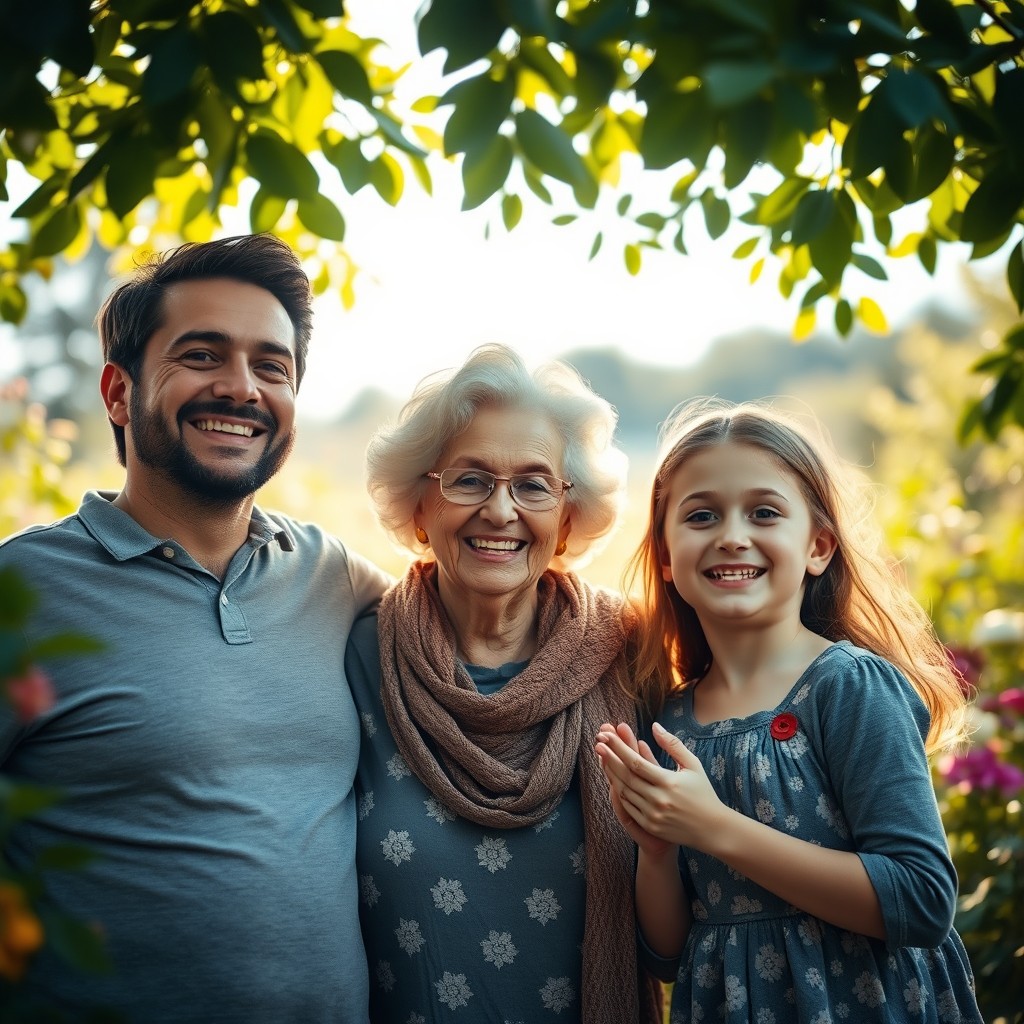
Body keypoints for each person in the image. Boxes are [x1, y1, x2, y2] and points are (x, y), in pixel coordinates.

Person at [0, 235, 390, 1022]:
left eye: (271, 367)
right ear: (119, 392)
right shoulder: (21, 593)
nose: (241, 388)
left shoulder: (331, 574)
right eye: (202, 355)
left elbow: (495, 627)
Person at [595, 398, 983, 1022]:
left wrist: (713, 826)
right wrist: (660, 850)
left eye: (765, 512)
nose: (731, 534)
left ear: (818, 547)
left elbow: (921, 900)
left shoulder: (848, 688)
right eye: (700, 515)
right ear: (666, 557)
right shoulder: (667, 723)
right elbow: (668, 956)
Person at [345, 343, 661, 1023]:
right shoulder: (358, 656)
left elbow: (678, 929)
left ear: (569, 519)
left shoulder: (632, 658)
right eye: (469, 480)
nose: (500, 510)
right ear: (419, 509)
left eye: (534, 484)